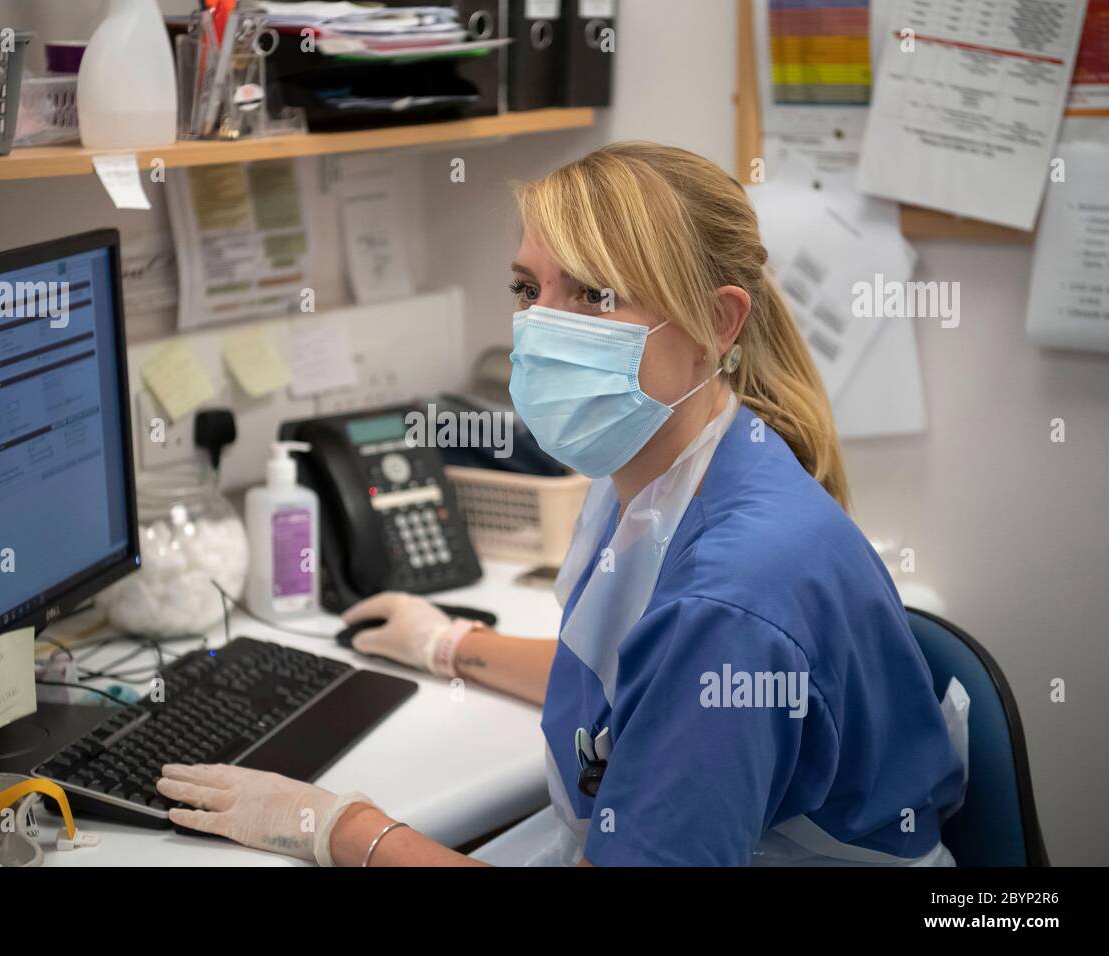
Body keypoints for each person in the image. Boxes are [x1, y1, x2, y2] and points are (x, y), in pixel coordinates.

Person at [157, 142, 967, 867]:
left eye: (596, 296)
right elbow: (640, 686)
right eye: (527, 287)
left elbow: (689, 669)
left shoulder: (731, 600)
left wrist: (338, 827)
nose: (541, 327)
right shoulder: (673, 464)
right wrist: (451, 644)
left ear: (717, 322)